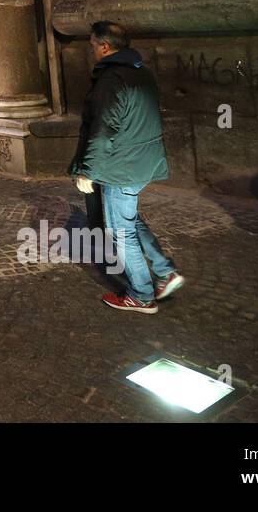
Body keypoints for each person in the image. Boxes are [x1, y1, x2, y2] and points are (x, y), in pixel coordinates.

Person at [70, 20, 183, 313]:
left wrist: (88, 170)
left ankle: (141, 294)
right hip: (141, 161)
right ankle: (164, 270)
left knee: (122, 232)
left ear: (105, 46)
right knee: (129, 220)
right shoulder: (140, 72)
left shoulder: (112, 79)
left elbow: (103, 129)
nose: (92, 50)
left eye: (93, 45)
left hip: (121, 166)